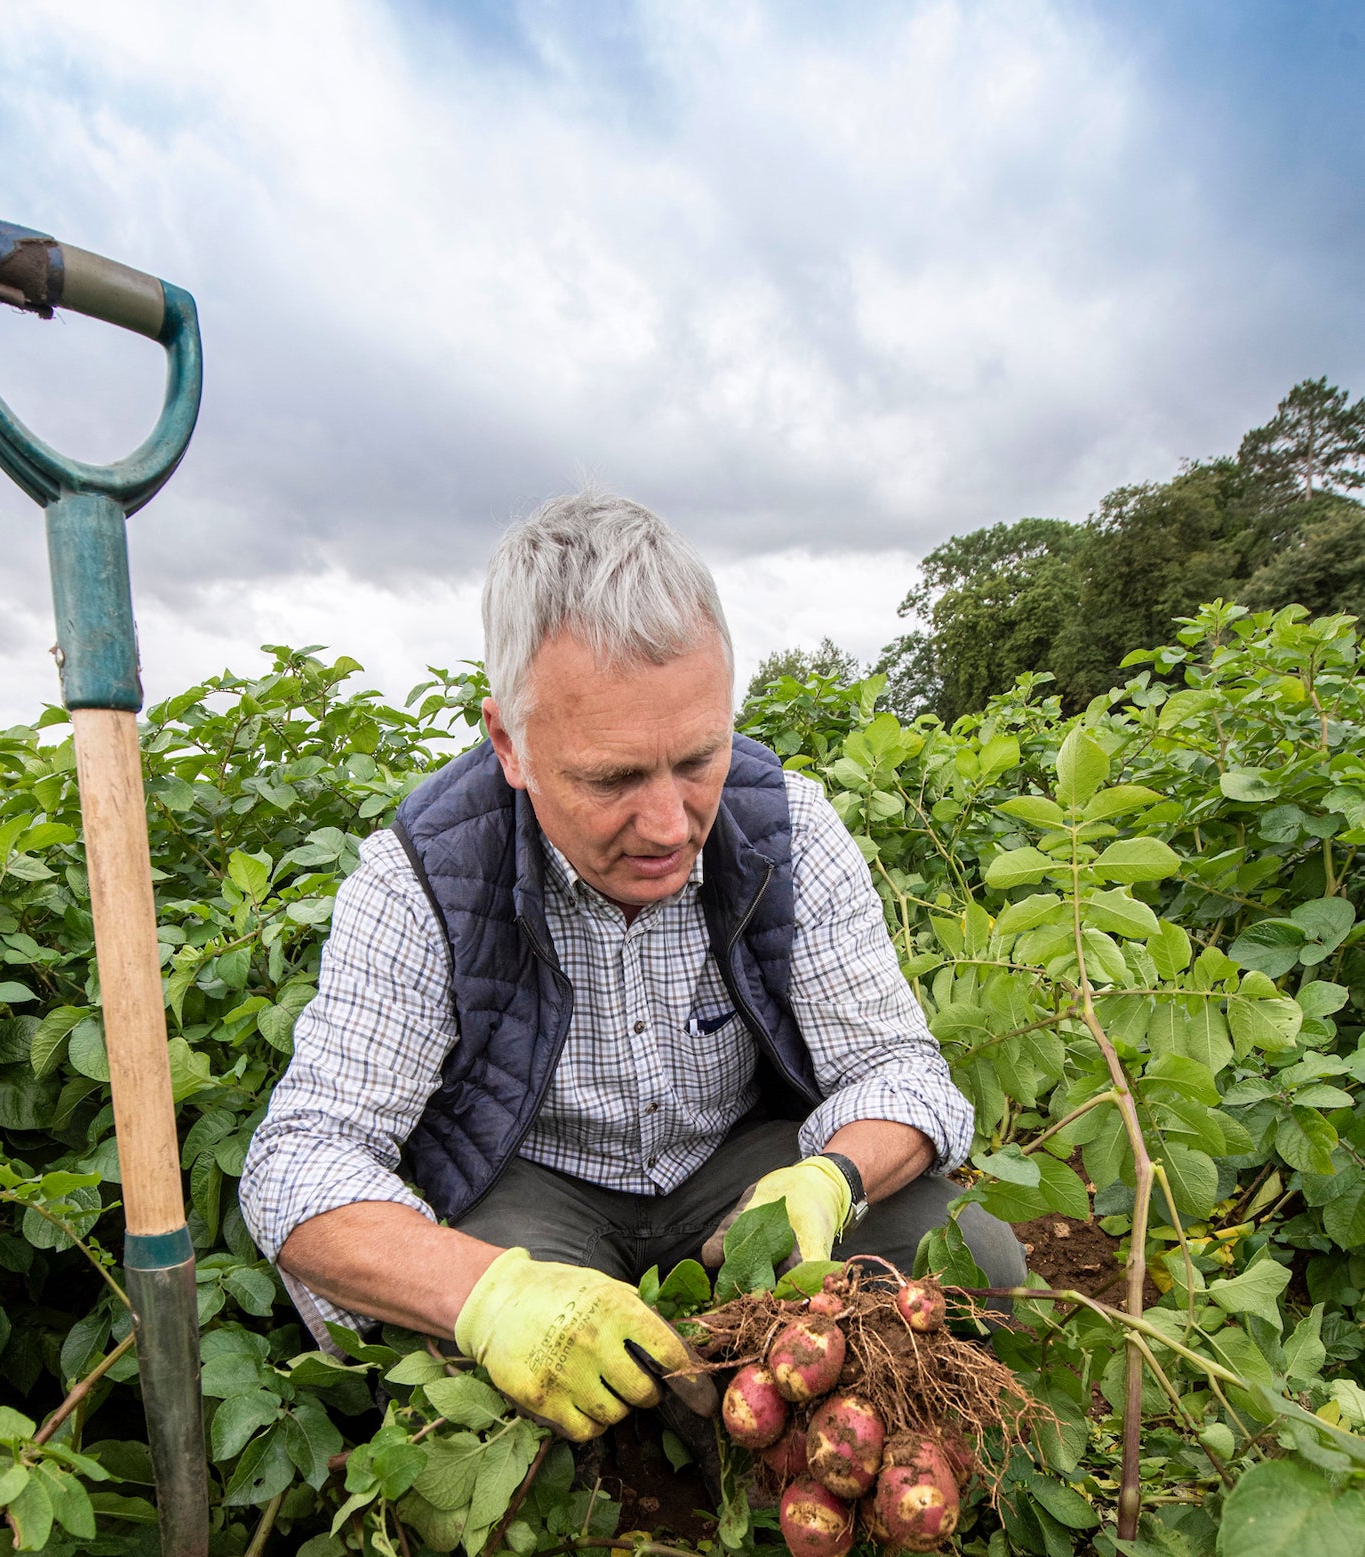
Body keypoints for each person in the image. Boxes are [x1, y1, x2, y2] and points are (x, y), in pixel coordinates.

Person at [239, 491, 1023, 1454]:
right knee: (470, 1400)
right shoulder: (421, 878)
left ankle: (724, 1424)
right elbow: (299, 1162)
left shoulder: (788, 830)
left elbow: (898, 1068)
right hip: (531, 1188)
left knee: (972, 1264)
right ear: (509, 745)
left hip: (734, 1167)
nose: (667, 826)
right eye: (611, 779)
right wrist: (490, 1297)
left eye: (697, 759)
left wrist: (830, 1177)